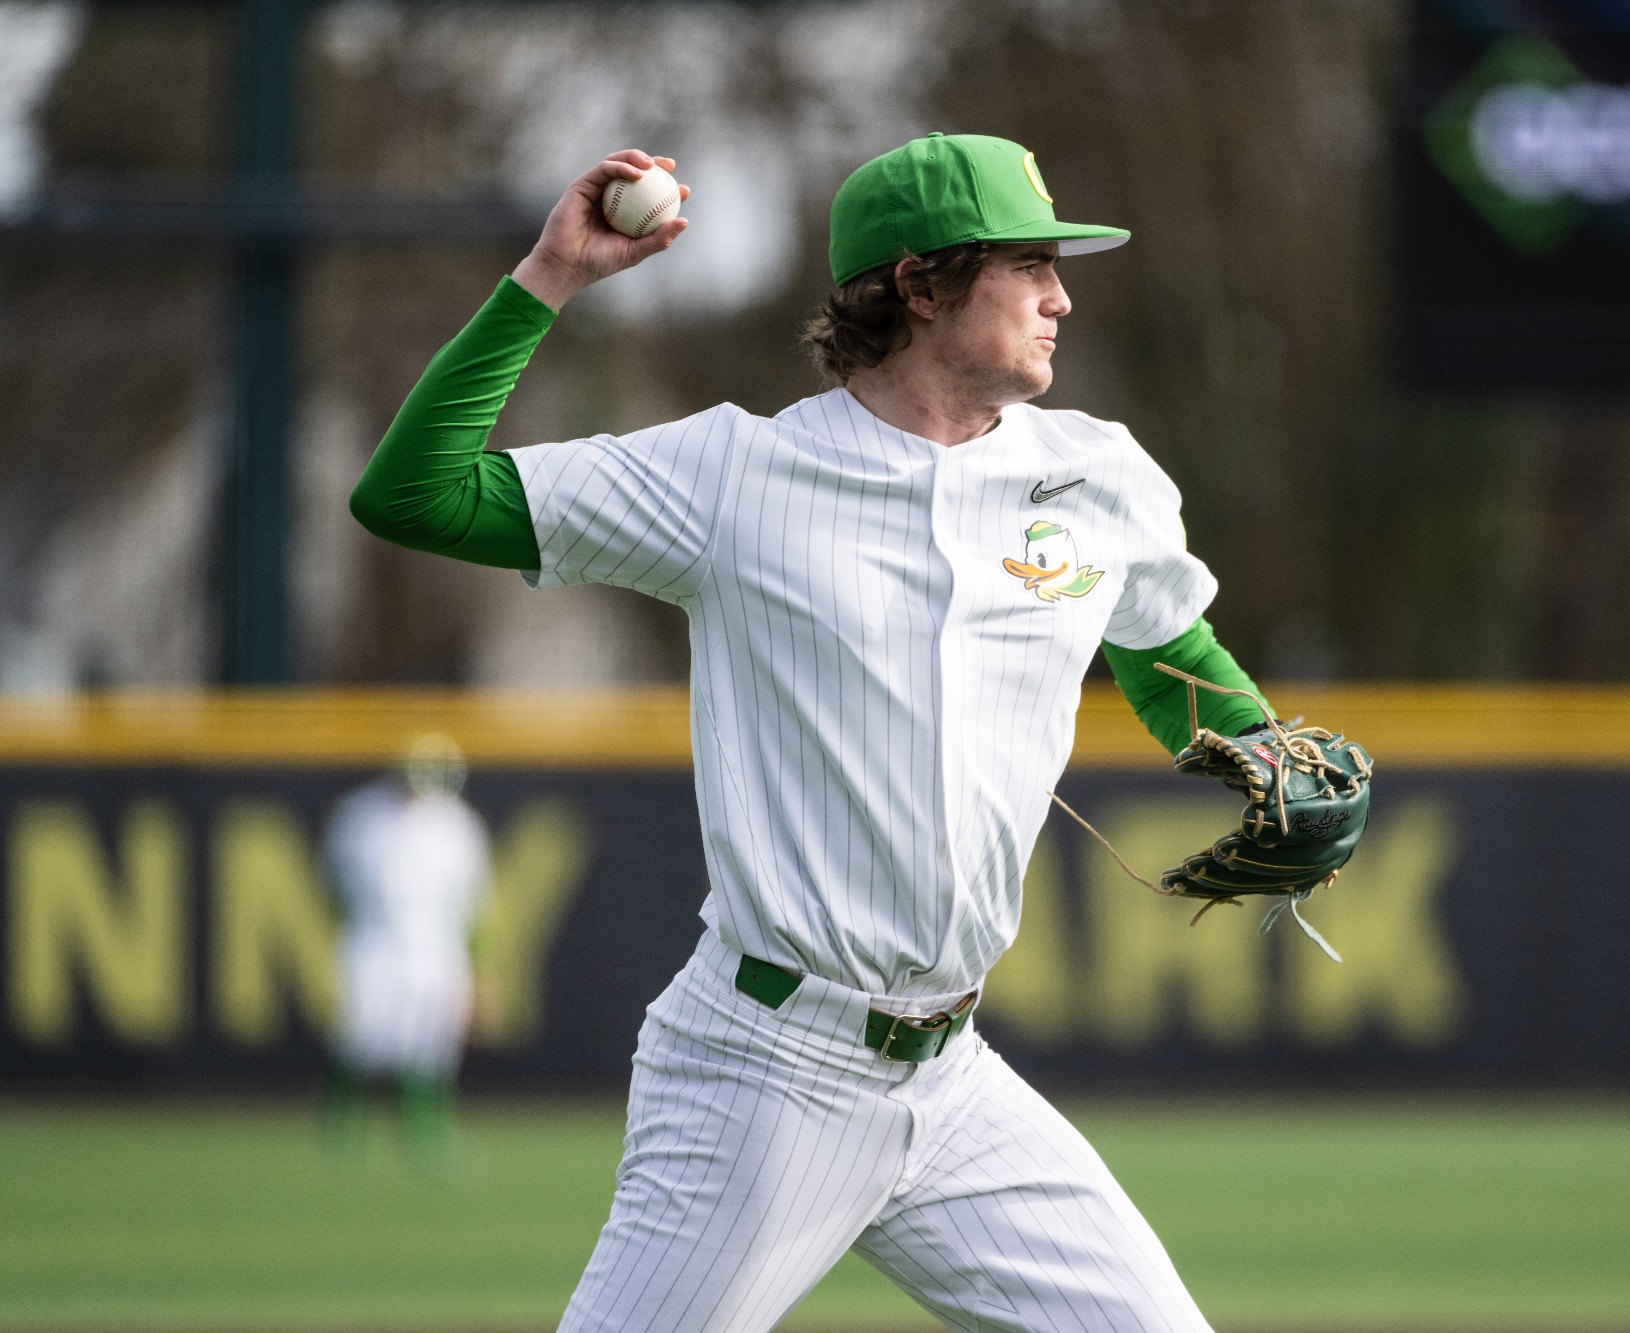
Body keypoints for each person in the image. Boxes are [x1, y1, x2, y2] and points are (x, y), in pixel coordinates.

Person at [350, 134, 1285, 1331]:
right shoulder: (735, 476)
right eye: (1028, 266)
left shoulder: (1096, 474)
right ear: (919, 283)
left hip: (950, 1082)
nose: (1060, 295)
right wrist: (549, 279)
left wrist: (1258, 754)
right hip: (765, 1074)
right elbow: (411, 494)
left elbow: (1164, 648)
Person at [320, 732, 492, 1165]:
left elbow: (474, 903)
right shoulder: (362, 814)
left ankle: (426, 1132)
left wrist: (479, 967)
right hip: (374, 937)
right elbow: (333, 885)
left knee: (432, 1041)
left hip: (438, 942)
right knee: (363, 1033)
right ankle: (341, 1128)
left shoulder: (459, 825)